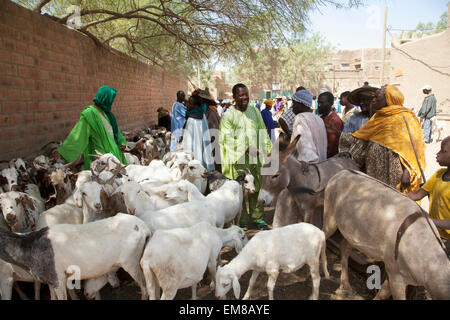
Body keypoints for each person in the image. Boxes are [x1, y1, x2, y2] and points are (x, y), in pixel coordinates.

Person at [339, 85, 426, 194]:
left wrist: (407, 172)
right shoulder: (379, 116)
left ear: (388, 98)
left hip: (394, 169)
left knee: (394, 197)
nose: (373, 100)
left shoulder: (405, 118)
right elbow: (361, 137)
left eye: (377, 97)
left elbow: (414, 149)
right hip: (375, 168)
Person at [219, 83, 272, 230]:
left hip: (256, 158)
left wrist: (269, 150)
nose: (245, 98)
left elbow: (263, 131)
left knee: (257, 186)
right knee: (240, 189)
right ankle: (241, 218)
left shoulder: (255, 112)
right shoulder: (228, 116)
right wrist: (246, 148)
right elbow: (226, 139)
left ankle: (257, 217)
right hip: (238, 160)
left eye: (246, 94)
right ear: (234, 97)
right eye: (241, 95)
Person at [53, 85, 127, 169]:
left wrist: (122, 142)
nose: (112, 102)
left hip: (114, 156)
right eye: (111, 100)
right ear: (105, 99)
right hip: (100, 159)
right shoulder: (90, 114)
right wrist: (62, 152)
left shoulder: (107, 115)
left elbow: (115, 132)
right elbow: (78, 135)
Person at [406, 136, 450, 246]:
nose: (438, 153)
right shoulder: (439, 174)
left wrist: (428, 220)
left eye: (443, 150)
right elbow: (417, 194)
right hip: (434, 233)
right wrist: (393, 196)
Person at [290, 89, 328, 163]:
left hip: (309, 168)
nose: (292, 107)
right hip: (322, 165)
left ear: (300, 104)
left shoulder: (300, 118)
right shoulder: (318, 119)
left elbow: (305, 148)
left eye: (294, 103)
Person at [181, 90, 215, 172]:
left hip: (193, 154)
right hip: (203, 152)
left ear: (196, 106)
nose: (187, 105)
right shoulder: (202, 115)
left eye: (190, 103)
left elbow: (187, 142)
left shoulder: (192, 119)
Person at [199, 88, 222, 171]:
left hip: (213, 150)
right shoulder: (204, 113)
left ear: (206, 102)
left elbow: (214, 134)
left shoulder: (211, 113)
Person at [318, 91, 344, 158]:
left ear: (330, 103)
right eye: (318, 102)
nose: (319, 105)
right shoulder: (322, 118)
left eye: (322, 103)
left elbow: (331, 146)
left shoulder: (334, 121)